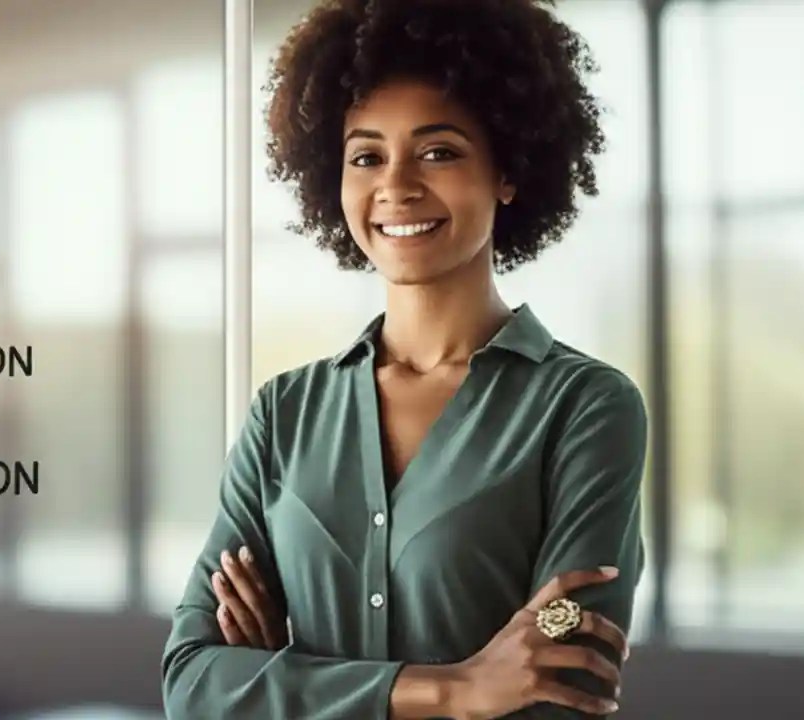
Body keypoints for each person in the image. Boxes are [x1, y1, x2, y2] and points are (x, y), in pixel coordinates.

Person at [161, 0, 648, 718]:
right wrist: (456, 689)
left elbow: (562, 681)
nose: (396, 184)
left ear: (507, 170)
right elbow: (194, 683)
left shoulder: (585, 408)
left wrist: (284, 682)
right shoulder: (283, 414)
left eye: (439, 150)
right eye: (366, 156)